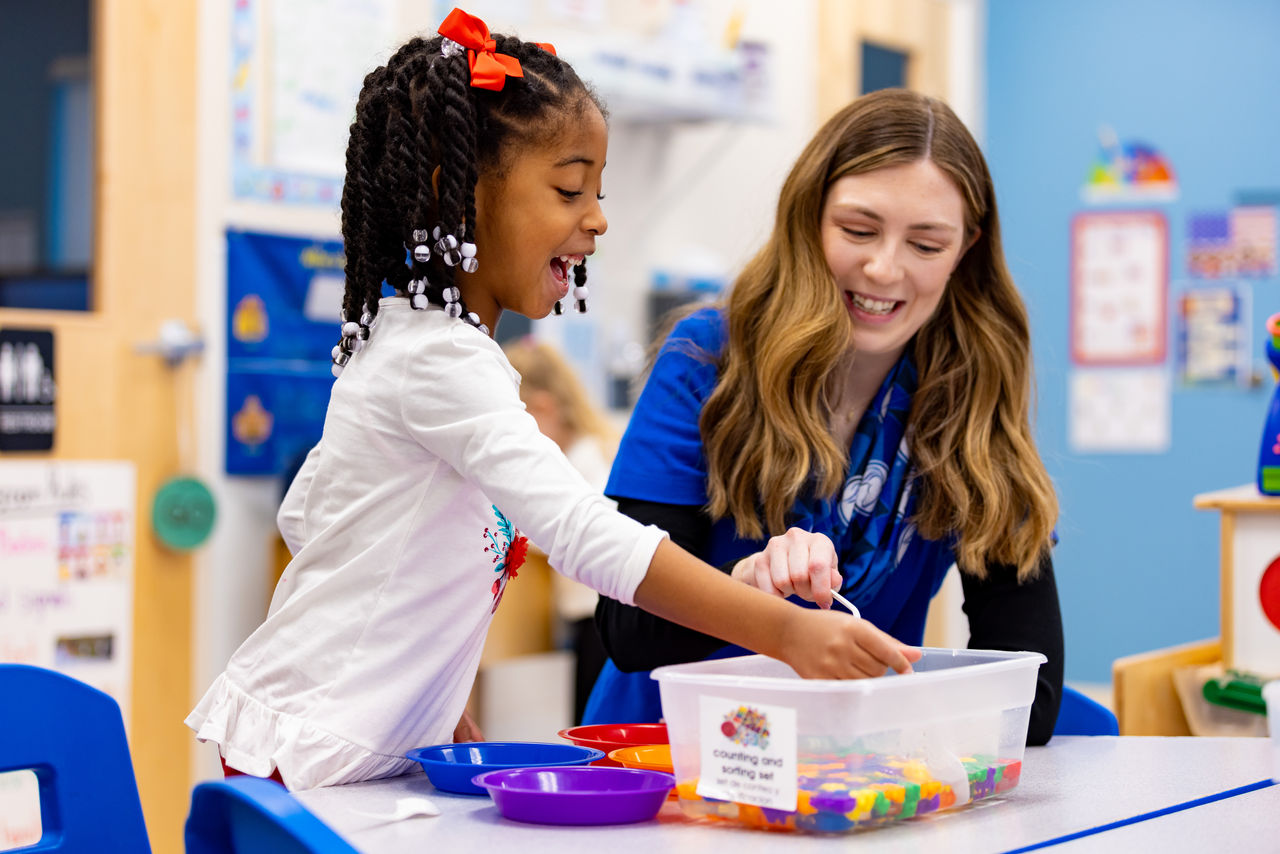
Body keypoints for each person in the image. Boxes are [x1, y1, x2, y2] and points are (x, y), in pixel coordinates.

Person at [186, 9, 920, 792]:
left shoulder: (426, 347)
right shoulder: (437, 357)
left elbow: (319, 519)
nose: (598, 219)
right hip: (313, 752)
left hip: (353, 744)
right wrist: (784, 633)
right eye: (571, 189)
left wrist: (428, 699)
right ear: (454, 194)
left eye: (597, 192)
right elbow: (584, 537)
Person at [590, 88, 1065, 745]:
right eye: (858, 230)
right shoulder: (708, 361)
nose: (883, 267)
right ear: (809, 217)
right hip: (668, 767)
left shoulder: (969, 397)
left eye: (927, 244)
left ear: (965, 252)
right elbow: (627, 632)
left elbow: (1031, 698)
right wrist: (746, 585)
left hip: (851, 776)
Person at [503, 337, 615, 725]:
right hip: (589, 619)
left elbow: (574, 527)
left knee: (591, 721)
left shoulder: (584, 458)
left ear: (545, 407)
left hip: (600, 620)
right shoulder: (584, 452)